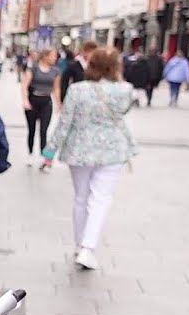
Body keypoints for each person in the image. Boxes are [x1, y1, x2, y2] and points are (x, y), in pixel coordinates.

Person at [49, 47, 138, 271]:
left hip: (79, 149)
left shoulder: (77, 90)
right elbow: (124, 113)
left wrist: (50, 151)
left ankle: (80, 244)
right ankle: (88, 248)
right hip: (112, 150)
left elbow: (65, 122)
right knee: (101, 199)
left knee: (81, 197)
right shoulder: (126, 90)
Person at [21, 48, 62, 170]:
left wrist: (58, 103)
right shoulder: (33, 68)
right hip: (33, 100)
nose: (55, 58)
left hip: (46, 101)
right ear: (45, 56)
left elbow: (56, 88)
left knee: (44, 130)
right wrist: (25, 100)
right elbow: (25, 85)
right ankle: (30, 153)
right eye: (53, 56)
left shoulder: (56, 71)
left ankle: (44, 157)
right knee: (32, 130)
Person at [59, 40, 93, 105]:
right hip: (76, 96)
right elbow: (64, 81)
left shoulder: (95, 67)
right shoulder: (74, 65)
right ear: (85, 52)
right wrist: (63, 97)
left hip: (90, 98)